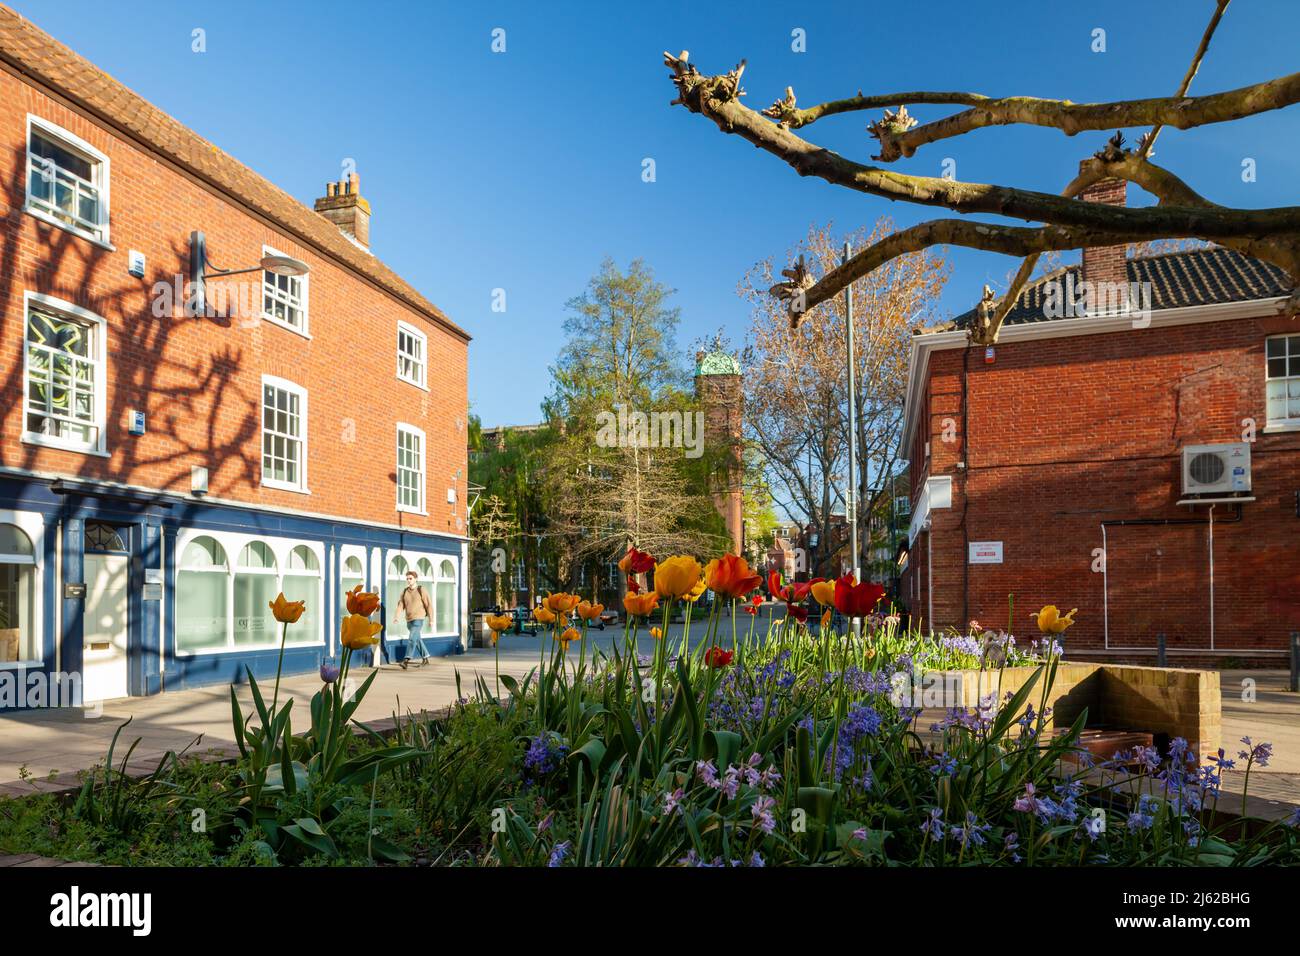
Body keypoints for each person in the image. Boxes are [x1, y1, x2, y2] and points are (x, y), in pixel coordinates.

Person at [394, 570, 432, 668]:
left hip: (419, 619)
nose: (409, 580)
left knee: (411, 638)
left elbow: (428, 605)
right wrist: (396, 617)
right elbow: (400, 605)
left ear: (416, 579)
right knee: (417, 639)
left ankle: (406, 660)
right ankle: (425, 658)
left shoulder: (421, 590)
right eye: (407, 579)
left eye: (411, 578)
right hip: (409, 620)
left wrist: (431, 619)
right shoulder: (405, 591)